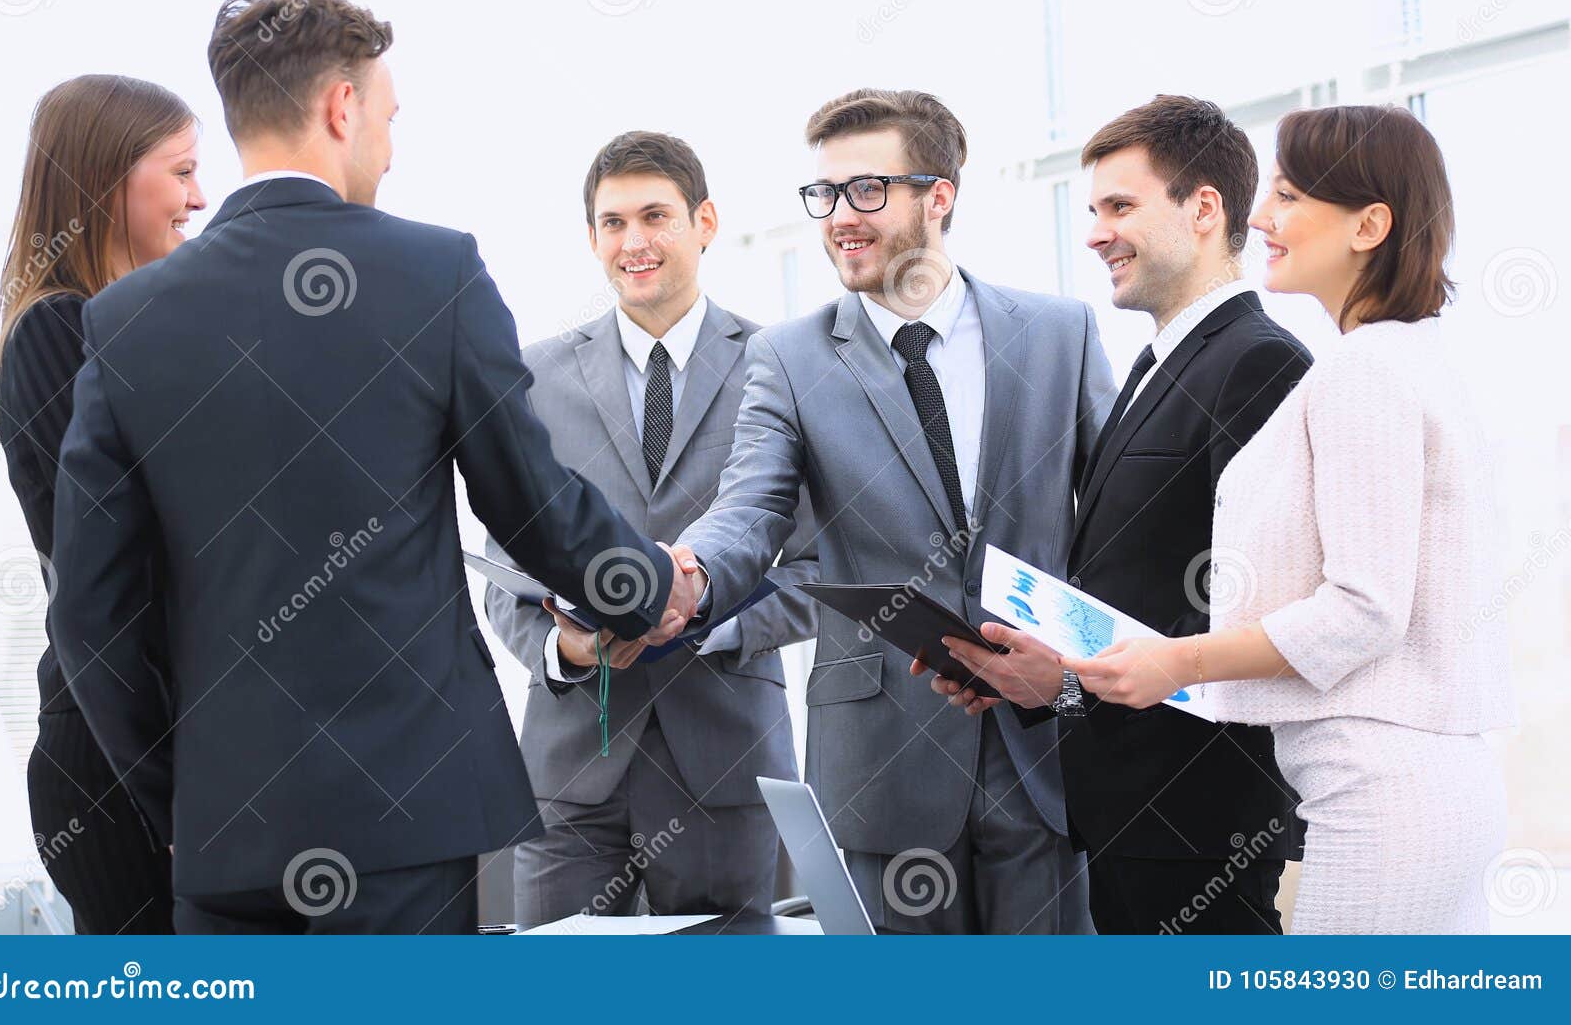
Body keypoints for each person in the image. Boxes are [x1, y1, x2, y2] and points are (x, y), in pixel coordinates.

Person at [47, 0, 699, 935]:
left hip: (227, 835)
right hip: (407, 820)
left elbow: (90, 614)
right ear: (341, 108)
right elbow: (531, 505)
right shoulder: (436, 274)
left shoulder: (126, 319)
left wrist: (182, 796)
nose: (391, 149)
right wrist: (647, 586)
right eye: (389, 120)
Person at [666, 89, 1116, 934]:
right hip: (883, 755)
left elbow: (1117, 523)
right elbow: (748, 510)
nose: (840, 216)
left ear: (938, 195)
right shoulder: (789, 358)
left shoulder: (1062, 333)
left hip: (1044, 747)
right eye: (827, 195)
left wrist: (1091, 671)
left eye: (866, 190)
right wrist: (684, 574)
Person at [1062, 104, 1514, 934]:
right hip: (1417, 778)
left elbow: (1364, 610)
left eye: (1290, 196)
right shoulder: (1402, 356)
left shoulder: (1364, 369)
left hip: (1376, 787)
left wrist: (1176, 661)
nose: (1261, 217)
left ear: (1369, 224)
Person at [925, 95, 1310, 934]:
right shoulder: (1153, 365)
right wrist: (1037, 669)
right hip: (1131, 806)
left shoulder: (1259, 363)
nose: (1096, 232)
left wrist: (1066, 683)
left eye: (1121, 207)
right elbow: (1134, 583)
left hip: (1201, 815)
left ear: (1204, 209)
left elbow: (1256, 608)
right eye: (1094, 210)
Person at [484, 131, 820, 926]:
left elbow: (814, 572)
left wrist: (694, 620)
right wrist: (567, 648)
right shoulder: (533, 377)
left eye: (655, 216)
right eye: (611, 223)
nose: (632, 242)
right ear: (592, 238)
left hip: (725, 757)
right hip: (568, 764)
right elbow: (506, 574)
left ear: (705, 222)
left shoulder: (784, 366)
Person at [0, 75, 206, 934]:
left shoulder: (128, 327)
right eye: (182, 171)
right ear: (107, 182)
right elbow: (127, 574)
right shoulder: (57, 331)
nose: (200, 197)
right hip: (116, 758)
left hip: (162, 751)